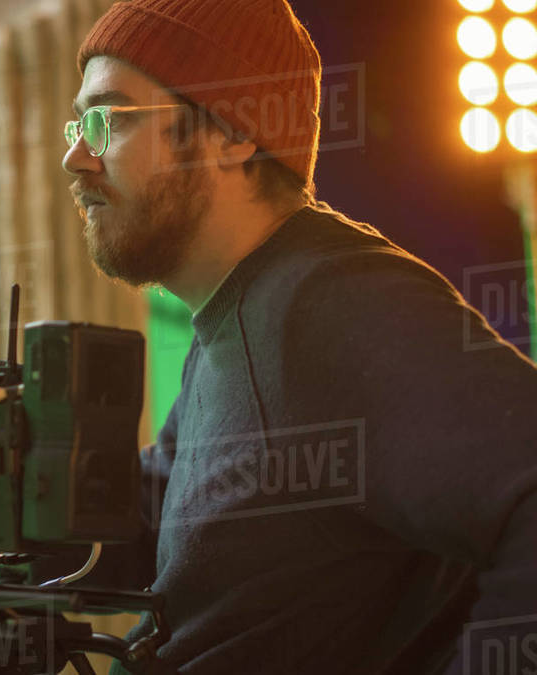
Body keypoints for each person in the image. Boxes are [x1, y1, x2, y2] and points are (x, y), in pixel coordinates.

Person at [62, 1, 537, 673]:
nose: (74, 156)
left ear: (232, 133)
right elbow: (160, 508)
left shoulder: (333, 302)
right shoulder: (234, 309)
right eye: (79, 122)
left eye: (108, 118)